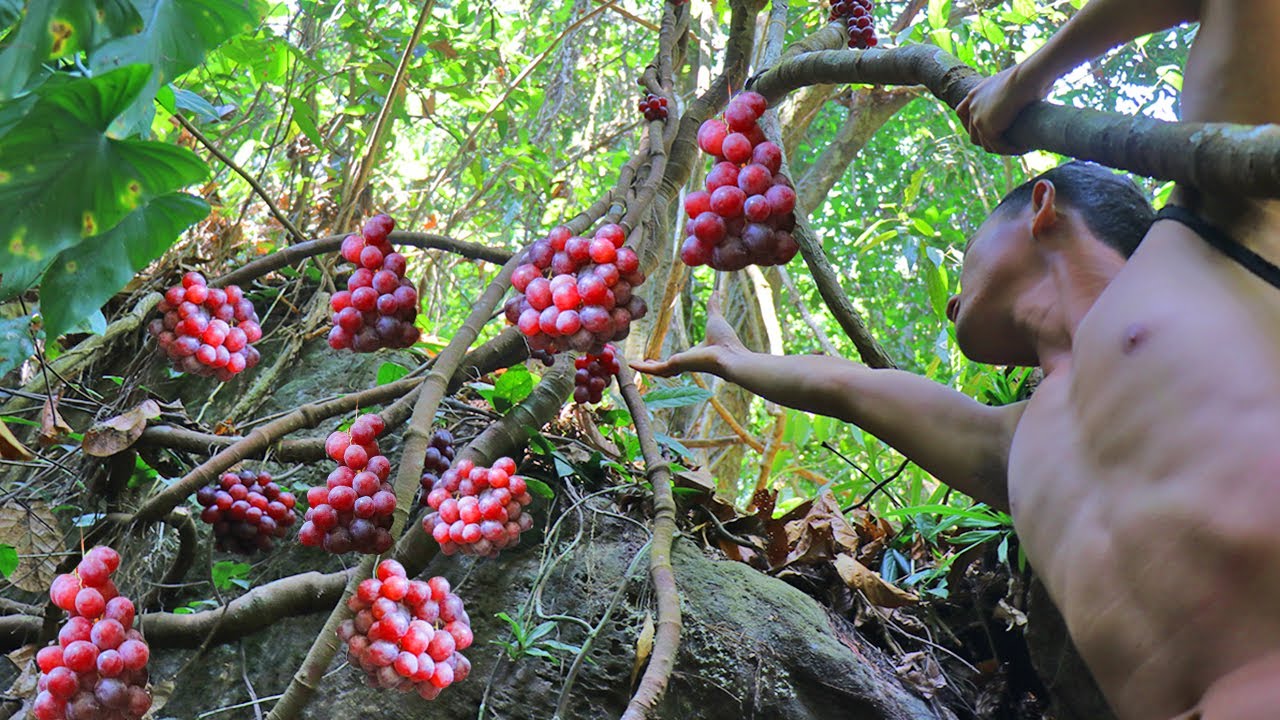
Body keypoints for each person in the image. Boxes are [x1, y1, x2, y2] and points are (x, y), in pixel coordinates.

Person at [635, 2, 1280, 718]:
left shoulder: (1213, 242)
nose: (950, 303)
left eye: (968, 250)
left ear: (1043, 207)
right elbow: (847, 386)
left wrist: (1027, 79)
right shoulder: (1014, 444)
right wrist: (732, 359)